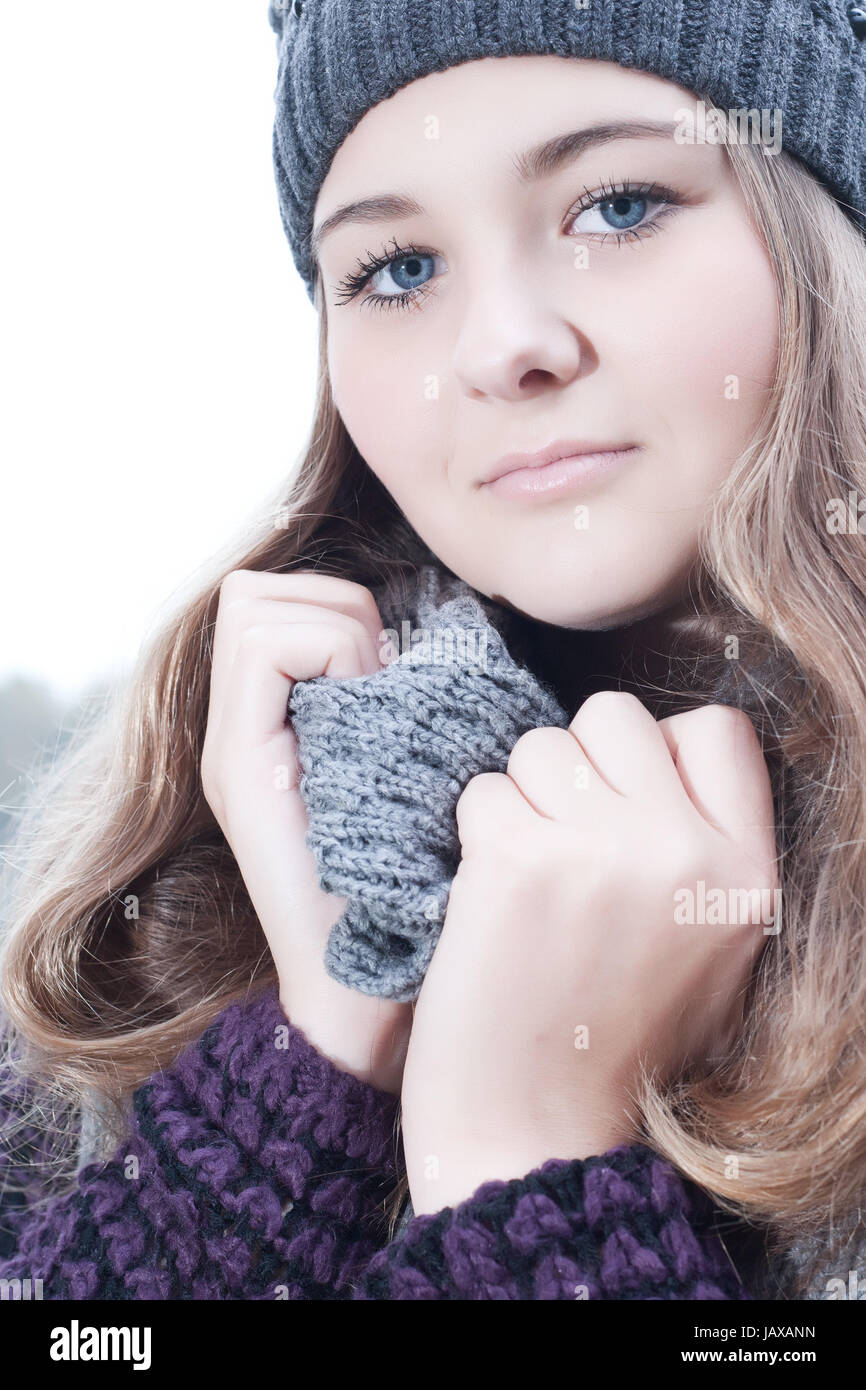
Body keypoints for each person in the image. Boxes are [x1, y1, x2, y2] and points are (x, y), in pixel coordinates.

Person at [1, 0, 865, 1300]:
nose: (502, 343)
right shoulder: (163, 915)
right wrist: (312, 1076)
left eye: (618, 204)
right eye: (397, 267)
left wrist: (526, 1164)